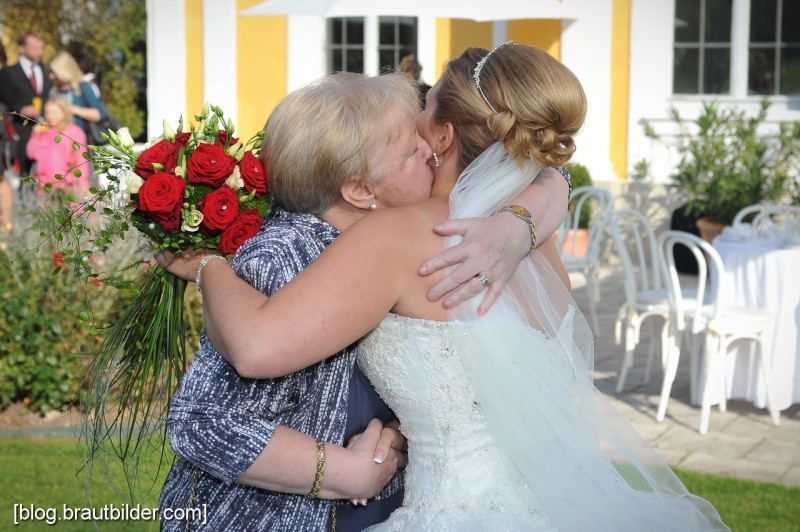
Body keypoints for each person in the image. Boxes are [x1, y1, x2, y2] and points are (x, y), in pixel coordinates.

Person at [163, 44, 728, 529]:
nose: (416, 121)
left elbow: (257, 346)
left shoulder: (400, 235)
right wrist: (544, 191)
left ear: (443, 134)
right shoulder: (534, 241)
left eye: (424, 108)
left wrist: (210, 265)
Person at [158, 71, 571, 531]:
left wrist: (398, 434)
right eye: (414, 151)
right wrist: (338, 471)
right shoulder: (284, 256)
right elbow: (201, 420)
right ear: (361, 190)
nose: (432, 154)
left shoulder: (447, 241)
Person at [0, 33, 52, 178]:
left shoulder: (46, 71)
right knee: (25, 175)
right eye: (35, 49)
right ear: (22, 48)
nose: (40, 53)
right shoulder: (8, 73)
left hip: (47, 129)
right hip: (22, 131)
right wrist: (21, 109)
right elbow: (4, 100)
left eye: (41, 48)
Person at [25, 97, 89, 194]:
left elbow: (81, 160)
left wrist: (81, 185)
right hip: (45, 186)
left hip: (67, 186)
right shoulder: (44, 131)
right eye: (47, 112)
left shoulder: (73, 131)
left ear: (64, 113)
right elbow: (31, 153)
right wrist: (35, 135)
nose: (50, 116)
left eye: (54, 112)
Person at [47, 50, 107, 139]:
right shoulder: (53, 92)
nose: (50, 76)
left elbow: (99, 114)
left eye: (53, 72)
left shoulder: (82, 87)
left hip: (78, 143)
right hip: (57, 143)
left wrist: (74, 110)